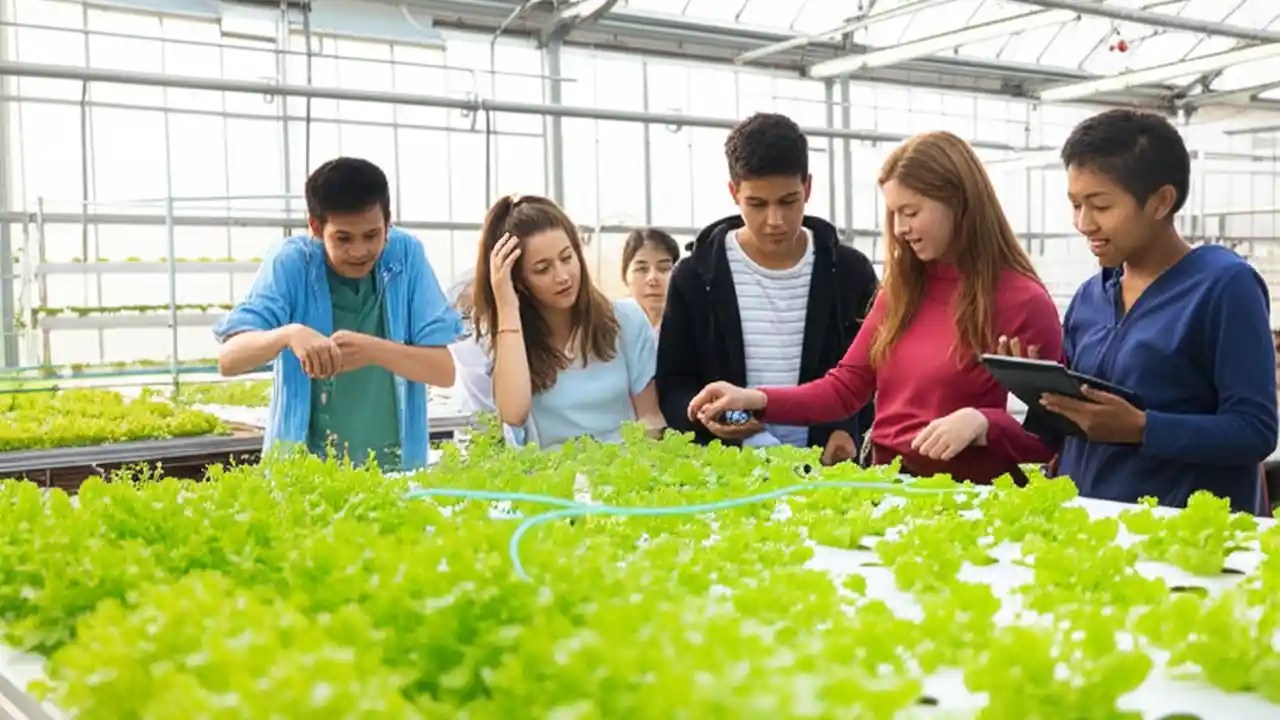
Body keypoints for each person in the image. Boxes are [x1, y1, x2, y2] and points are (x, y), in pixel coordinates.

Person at [688, 130, 1062, 483]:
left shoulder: (1021, 301)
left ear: (958, 201)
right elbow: (846, 388)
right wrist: (754, 399)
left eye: (911, 212)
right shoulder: (903, 289)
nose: (899, 228)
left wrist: (983, 423)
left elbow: (1053, 436)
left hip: (968, 505)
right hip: (886, 491)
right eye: (893, 213)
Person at [1013, 109, 1276, 513]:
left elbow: (1255, 430)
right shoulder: (1091, 295)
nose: (1083, 223)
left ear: (1161, 202)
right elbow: (1075, 432)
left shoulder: (1224, 285)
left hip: (1181, 541)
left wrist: (1143, 428)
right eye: (1075, 204)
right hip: (1091, 525)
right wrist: (1040, 394)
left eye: (1100, 205)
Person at [657, 112, 878, 464]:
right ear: (734, 193)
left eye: (788, 201)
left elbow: (873, 374)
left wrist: (845, 428)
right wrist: (726, 419)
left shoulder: (849, 273)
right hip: (732, 474)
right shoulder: (696, 277)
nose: (774, 220)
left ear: (807, 187)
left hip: (829, 473)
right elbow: (674, 384)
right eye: (757, 204)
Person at [213, 157, 461, 471]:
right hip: (307, 475)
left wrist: (374, 350)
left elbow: (443, 371)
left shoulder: (406, 256)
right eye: (343, 238)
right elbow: (229, 359)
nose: (359, 251)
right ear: (315, 227)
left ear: (388, 222)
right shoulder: (291, 262)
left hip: (397, 471)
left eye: (372, 235)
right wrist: (289, 334)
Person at [471, 193, 664, 449]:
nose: (562, 276)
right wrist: (506, 302)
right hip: (550, 481)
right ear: (519, 281)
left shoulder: (626, 321)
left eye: (566, 258)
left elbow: (650, 415)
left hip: (623, 476)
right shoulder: (511, 339)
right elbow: (513, 414)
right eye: (542, 269)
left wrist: (636, 458)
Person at [621, 228, 680, 335]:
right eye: (641, 269)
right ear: (624, 276)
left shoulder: (695, 328)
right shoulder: (608, 329)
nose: (652, 279)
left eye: (664, 268)